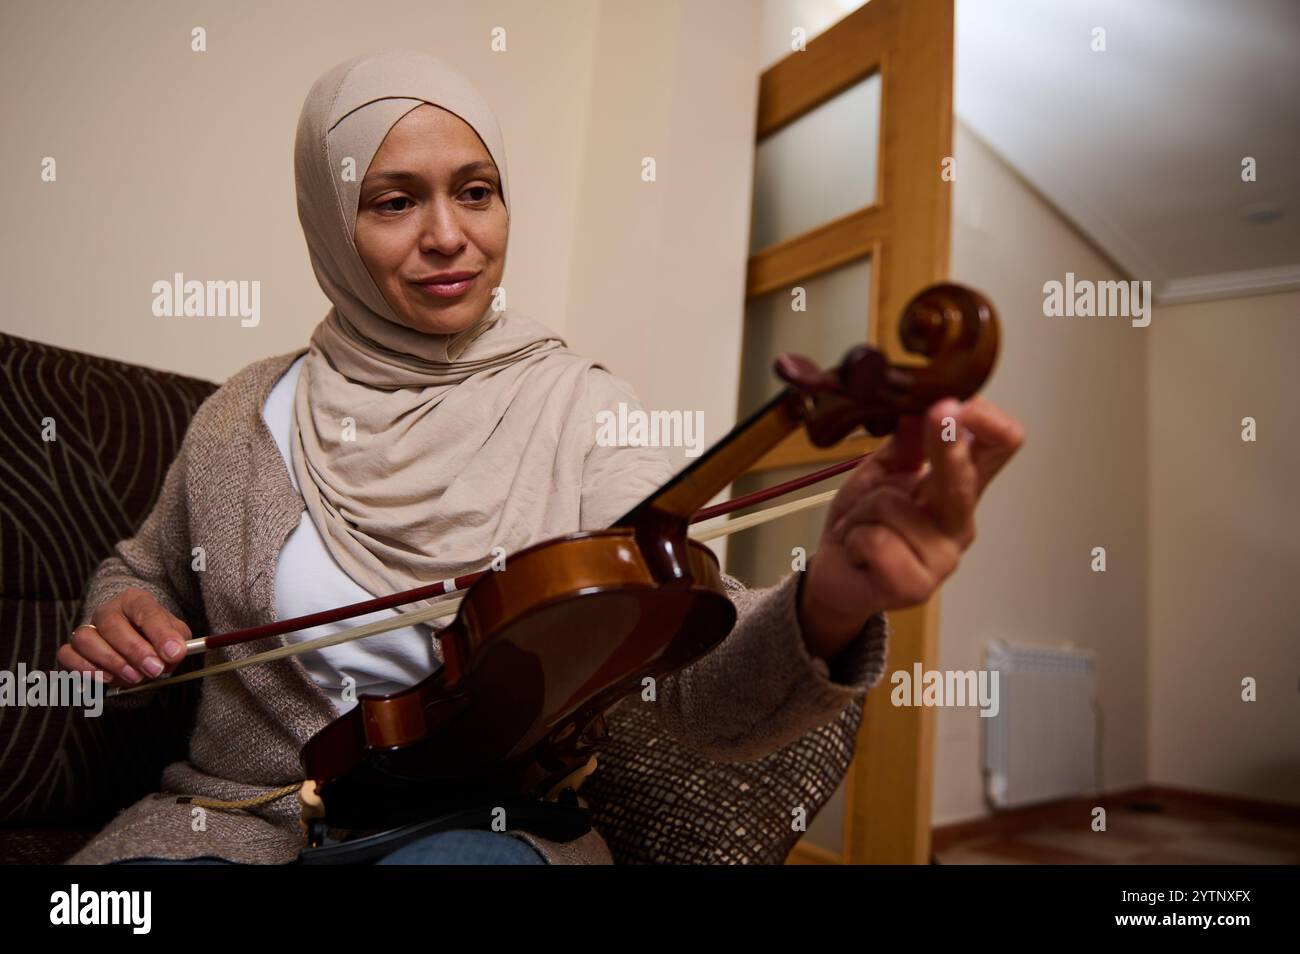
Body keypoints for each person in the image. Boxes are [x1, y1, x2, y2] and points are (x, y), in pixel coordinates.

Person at [55, 50, 1024, 866]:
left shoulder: (584, 410)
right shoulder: (239, 416)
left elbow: (695, 686)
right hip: (226, 821)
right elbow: (140, 567)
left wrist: (833, 600)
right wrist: (120, 609)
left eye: (476, 193)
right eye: (394, 202)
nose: (449, 236)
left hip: (475, 824)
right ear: (330, 222)